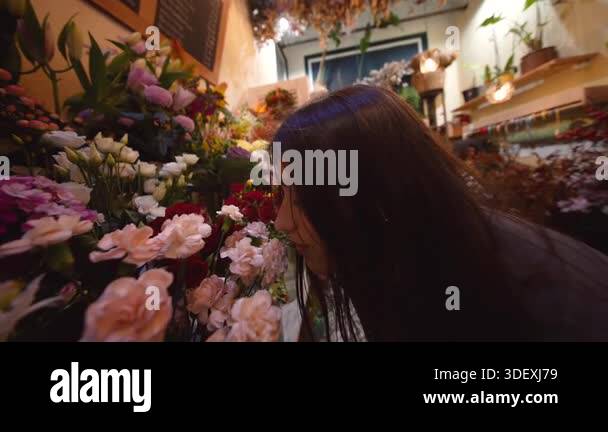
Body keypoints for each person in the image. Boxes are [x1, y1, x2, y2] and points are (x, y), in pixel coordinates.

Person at [273, 84, 608, 342]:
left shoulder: (499, 292)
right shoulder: (429, 255)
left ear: (376, 194)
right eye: (282, 196)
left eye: (302, 200)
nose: (281, 221)